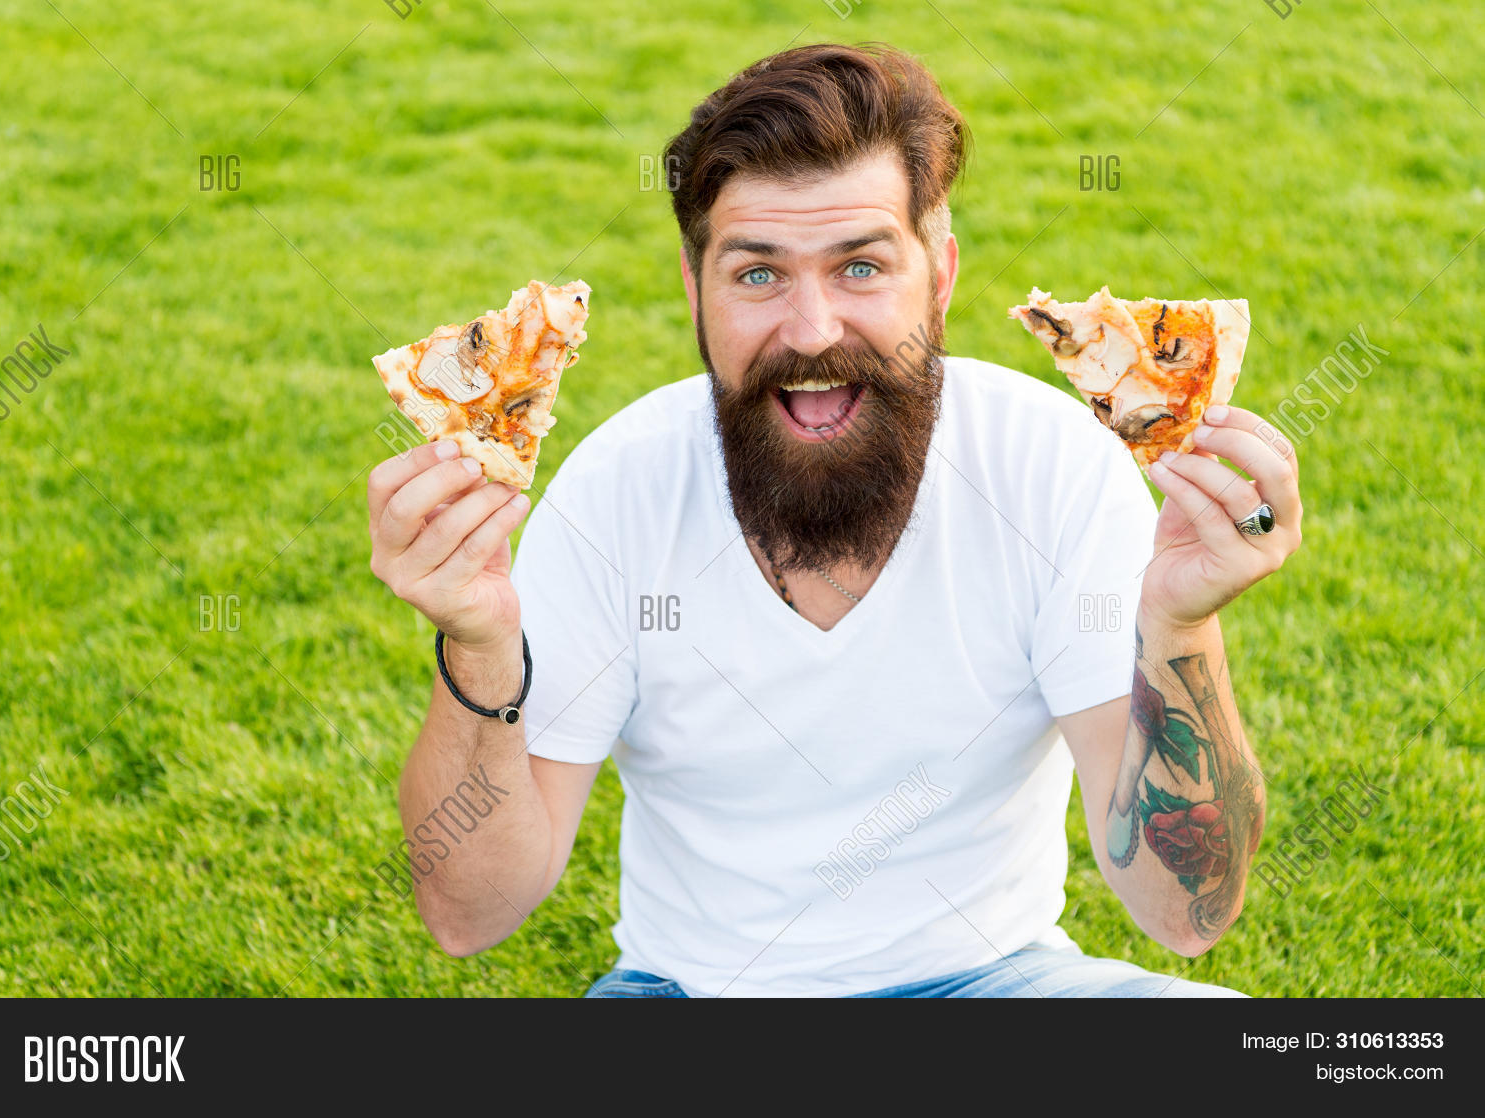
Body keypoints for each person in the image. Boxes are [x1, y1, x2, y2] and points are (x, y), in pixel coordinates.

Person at [365, 43, 1303, 997]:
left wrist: (1181, 627)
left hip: (998, 984)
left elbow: (1185, 914)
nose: (812, 332)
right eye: (758, 276)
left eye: (860, 267)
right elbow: (469, 914)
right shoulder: (617, 490)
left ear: (937, 279)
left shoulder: (1052, 465)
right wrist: (477, 644)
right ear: (695, 290)